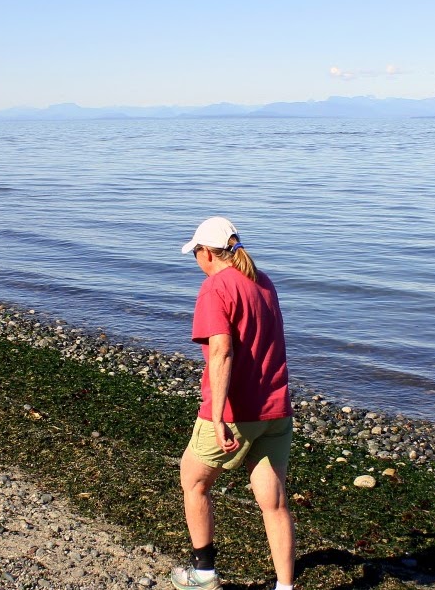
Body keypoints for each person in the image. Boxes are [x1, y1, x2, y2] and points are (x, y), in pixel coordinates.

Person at [171, 216, 295, 590]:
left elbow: (222, 352)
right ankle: (285, 587)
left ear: (207, 253)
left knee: (193, 482)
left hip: (236, 411)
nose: (196, 260)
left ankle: (204, 573)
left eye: (195, 253)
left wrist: (220, 415)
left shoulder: (216, 288)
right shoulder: (263, 282)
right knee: (273, 504)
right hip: (276, 410)